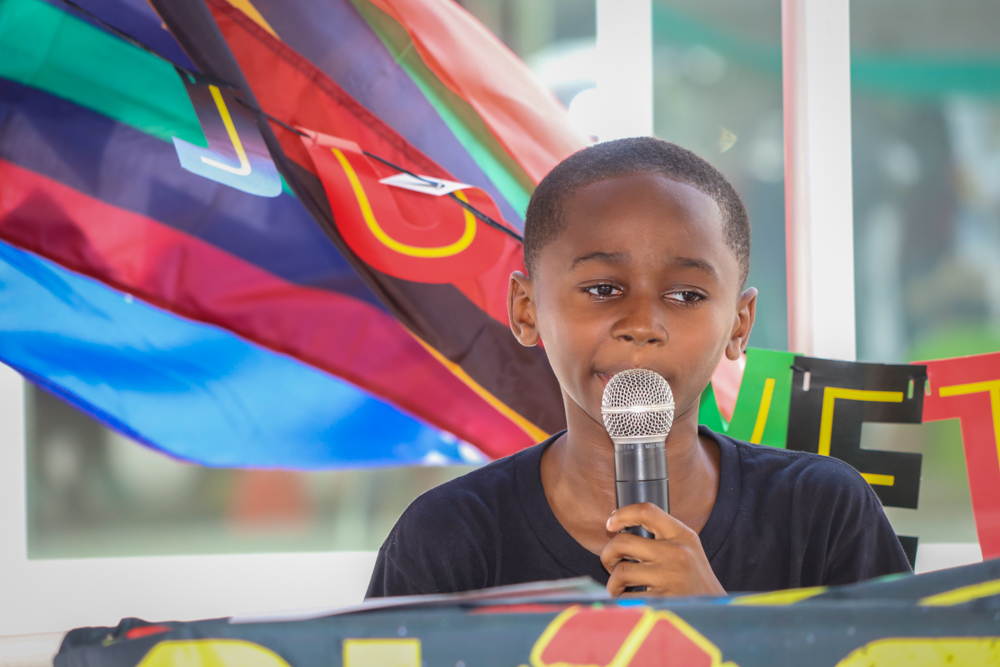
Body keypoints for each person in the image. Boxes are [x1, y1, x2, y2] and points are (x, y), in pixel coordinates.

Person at [366, 137, 911, 598]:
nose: (643, 323)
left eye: (686, 295)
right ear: (527, 309)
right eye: (603, 289)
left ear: (739, 324)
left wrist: (721, 631)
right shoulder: (449, 537)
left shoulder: (819, 511)